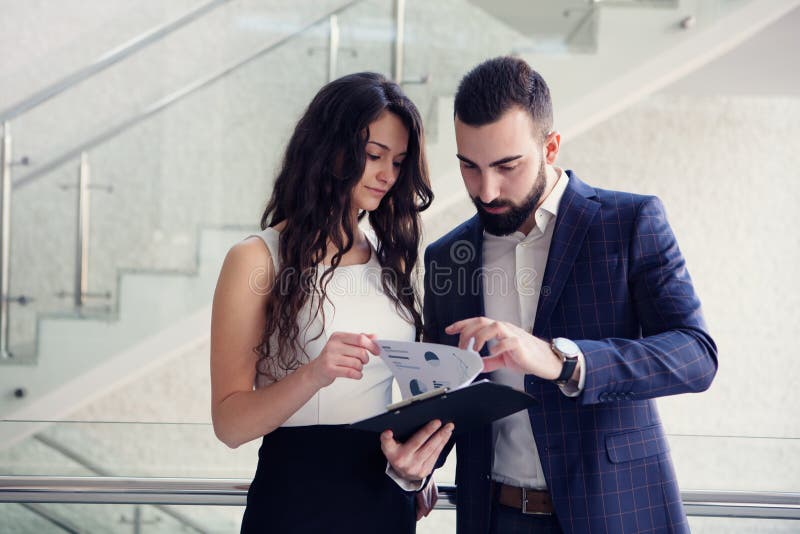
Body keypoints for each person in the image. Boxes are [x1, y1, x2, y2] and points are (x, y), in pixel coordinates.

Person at [423, 57, 718, 533]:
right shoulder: (447, 257)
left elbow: (697, 356)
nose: (487, 188)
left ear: (551, 146)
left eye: (507, 165)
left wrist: (563, 361)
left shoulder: (629, 223)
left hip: (618, 513)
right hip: (495, 518)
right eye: (469, 167)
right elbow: (442, 395)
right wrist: (413, 473)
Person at [210, 72, 453, 533]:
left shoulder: (390, 257)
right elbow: (230, 424)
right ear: (327, 149)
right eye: (374, 155)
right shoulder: (256, 260)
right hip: (299, 500)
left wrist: (417, 467)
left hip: (386, 499)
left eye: (399, 162)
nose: (388, 175)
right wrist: (314, 374)